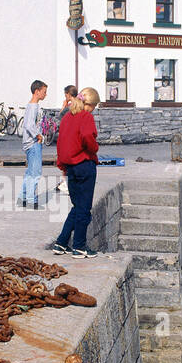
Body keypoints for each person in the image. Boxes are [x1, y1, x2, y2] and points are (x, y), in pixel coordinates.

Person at [48, 86, 100, 258]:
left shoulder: (67, 117)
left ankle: (61, 242)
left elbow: (61, 143)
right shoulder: (86, 117)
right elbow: (87, 137)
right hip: (85, 165)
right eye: (94, 106)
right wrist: (94, 148)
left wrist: (63, 166)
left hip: (70, 167)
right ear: (90, 104)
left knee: (77, 207)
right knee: (84, 209)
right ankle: (79, 247)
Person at [19, 79, 48, 209]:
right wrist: (39, 136)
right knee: (35, 173)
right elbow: (29, 125)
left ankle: (23, 197)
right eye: (44, 92)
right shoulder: (33, 107)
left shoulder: (31, 106)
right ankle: (31, 200)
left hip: (30, 143)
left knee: (30, 172)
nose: (45, 94)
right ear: (37, 91)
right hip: (33, 143)